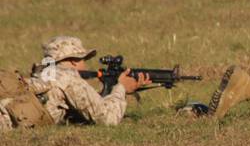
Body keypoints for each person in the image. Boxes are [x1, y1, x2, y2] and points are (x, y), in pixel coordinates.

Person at [8, 36, 153, 128]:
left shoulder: (41, 74)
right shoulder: (68, 78)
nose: (85, 64)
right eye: (83, 59)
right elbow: (107, 119)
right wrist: (121, 88)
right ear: (73, 60)